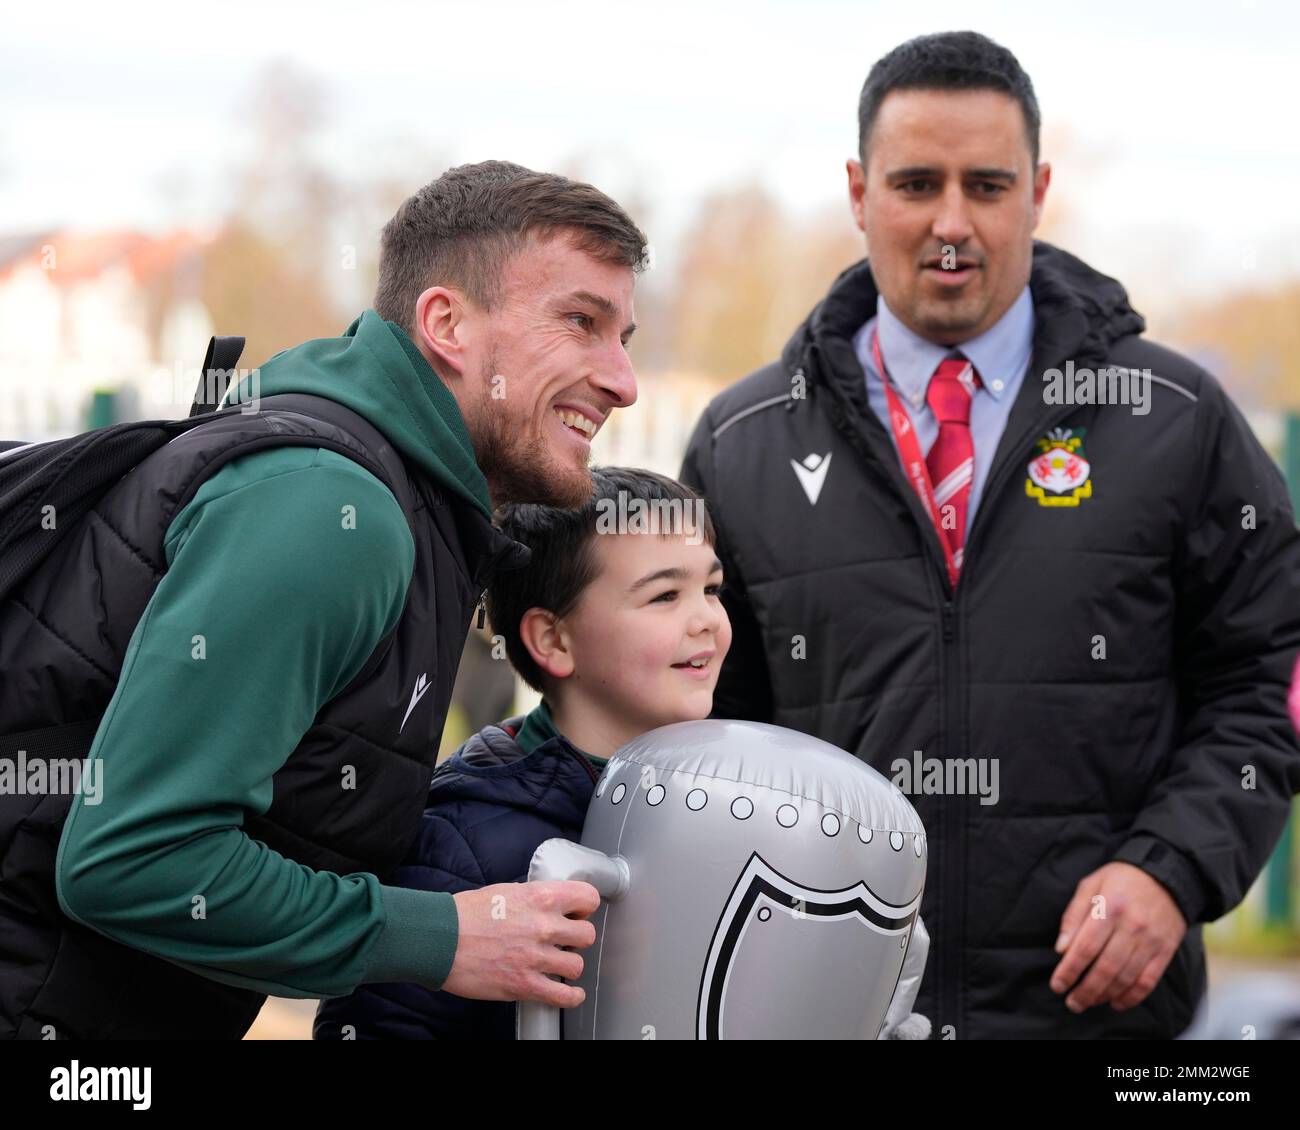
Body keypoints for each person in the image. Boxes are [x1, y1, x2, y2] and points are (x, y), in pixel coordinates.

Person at [680, 31, 1300, 1039]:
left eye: (988, 183)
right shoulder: (743, 441)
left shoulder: (1175, 417)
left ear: (1039, 190)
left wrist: (1170, 867)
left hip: (1105, 1019)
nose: (951, 222)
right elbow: (704, 735)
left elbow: (1262, 681)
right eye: (916, 183)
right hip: (832, 1015)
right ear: (858, 190)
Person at [0, 160, 647, 1038]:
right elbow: (134, 861)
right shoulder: (331, 513)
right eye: (581, 323)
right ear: (447, 324)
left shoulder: (418, 507)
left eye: (626, 338)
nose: (622, 380)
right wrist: (444, 937)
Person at [313, 466, 731, 1038]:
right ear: (554, 641)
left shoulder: (725, 803)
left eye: (711, 589)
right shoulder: (459, 843)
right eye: (665, 596)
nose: (707, 619)